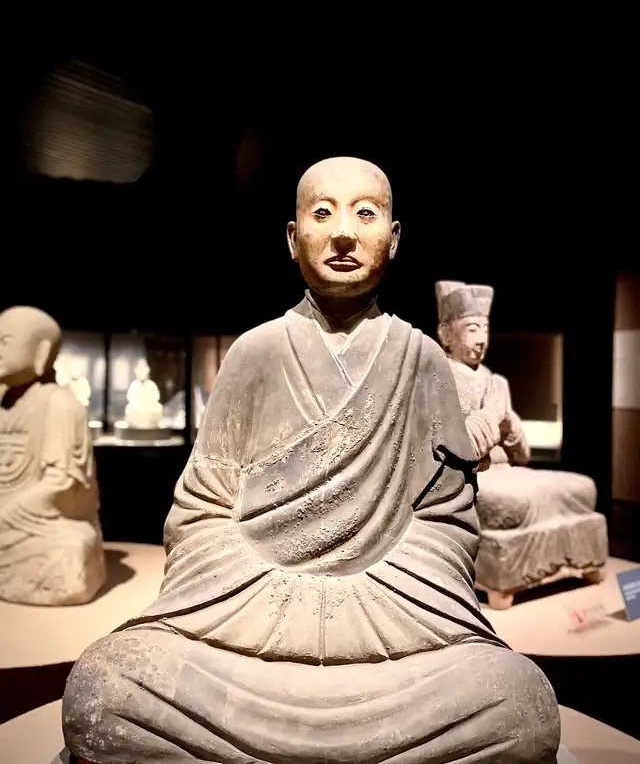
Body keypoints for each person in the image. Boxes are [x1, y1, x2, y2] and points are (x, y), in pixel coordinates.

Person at [57, 158, 567, 763]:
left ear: (393, 239)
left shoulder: (422, 361)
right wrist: (287, 600)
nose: (344, 232)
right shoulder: (254, 353)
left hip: (392, 627)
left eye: (365, 214)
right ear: (292, 238)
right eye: (323, 213)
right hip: (250, 624)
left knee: (522, 706)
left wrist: (353, 605)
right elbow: (201, 513)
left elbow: (447, 523)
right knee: (103, 690)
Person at [436, 281, 608, 608]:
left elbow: (521, 456)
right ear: (446, 334)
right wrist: (490, 416)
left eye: (485, 329)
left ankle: (583, 562)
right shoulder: (437, 378)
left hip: (505, 469)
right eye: (472, 329)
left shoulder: (493, 380)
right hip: (467, 476)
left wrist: (511, 427)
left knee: (582, 489)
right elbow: (454, 451)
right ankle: (499, 582)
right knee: (514, 503)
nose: (482, 339)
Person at [0, 306, 105, 606]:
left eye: (5, 342)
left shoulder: (61, 406)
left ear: (42, 351)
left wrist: (6, 515)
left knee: (69, 549)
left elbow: (60, 485)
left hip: (39, 521)